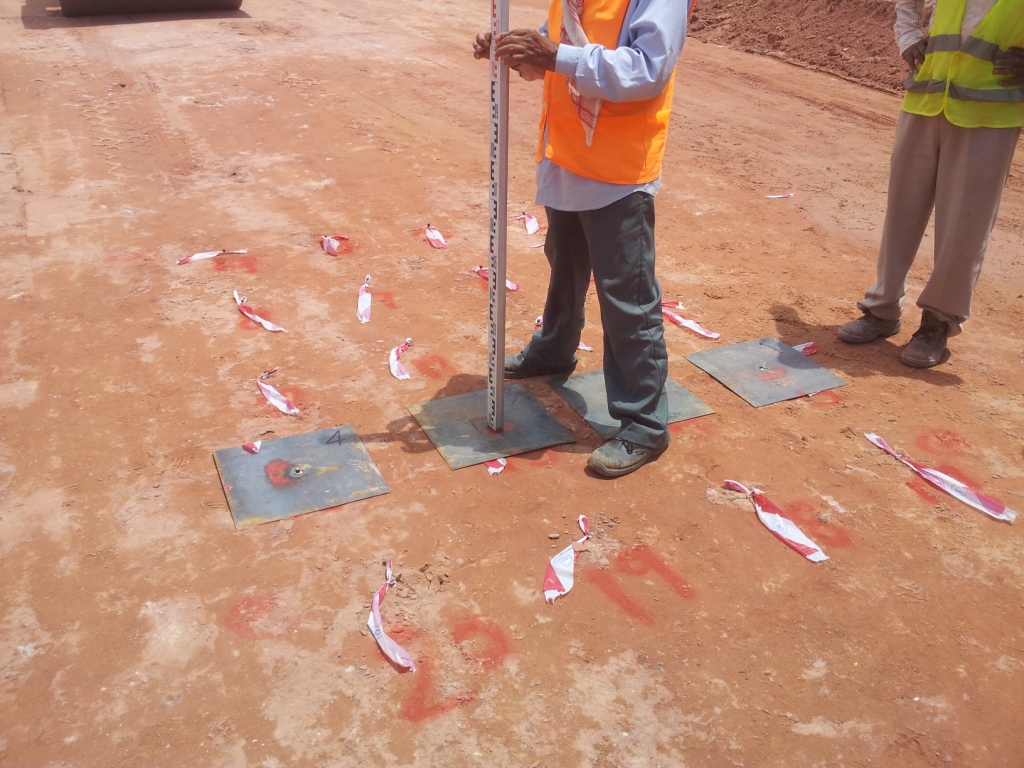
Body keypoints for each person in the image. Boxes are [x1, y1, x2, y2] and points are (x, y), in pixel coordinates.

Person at [473, 0, 688, 477]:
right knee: (564, 263)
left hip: (617, 170)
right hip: (567, 154)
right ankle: (554, 347)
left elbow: (646, 69)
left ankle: (644, 424)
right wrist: (521, 55)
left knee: (626, 294)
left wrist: (555, 57)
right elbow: (566, 60)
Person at [837, 0, 1024, 368]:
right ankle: (882, 308)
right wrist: (907, 35)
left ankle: (938, 321)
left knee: (965, 225)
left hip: (990, 109)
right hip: (928, 93)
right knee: (902, 209)